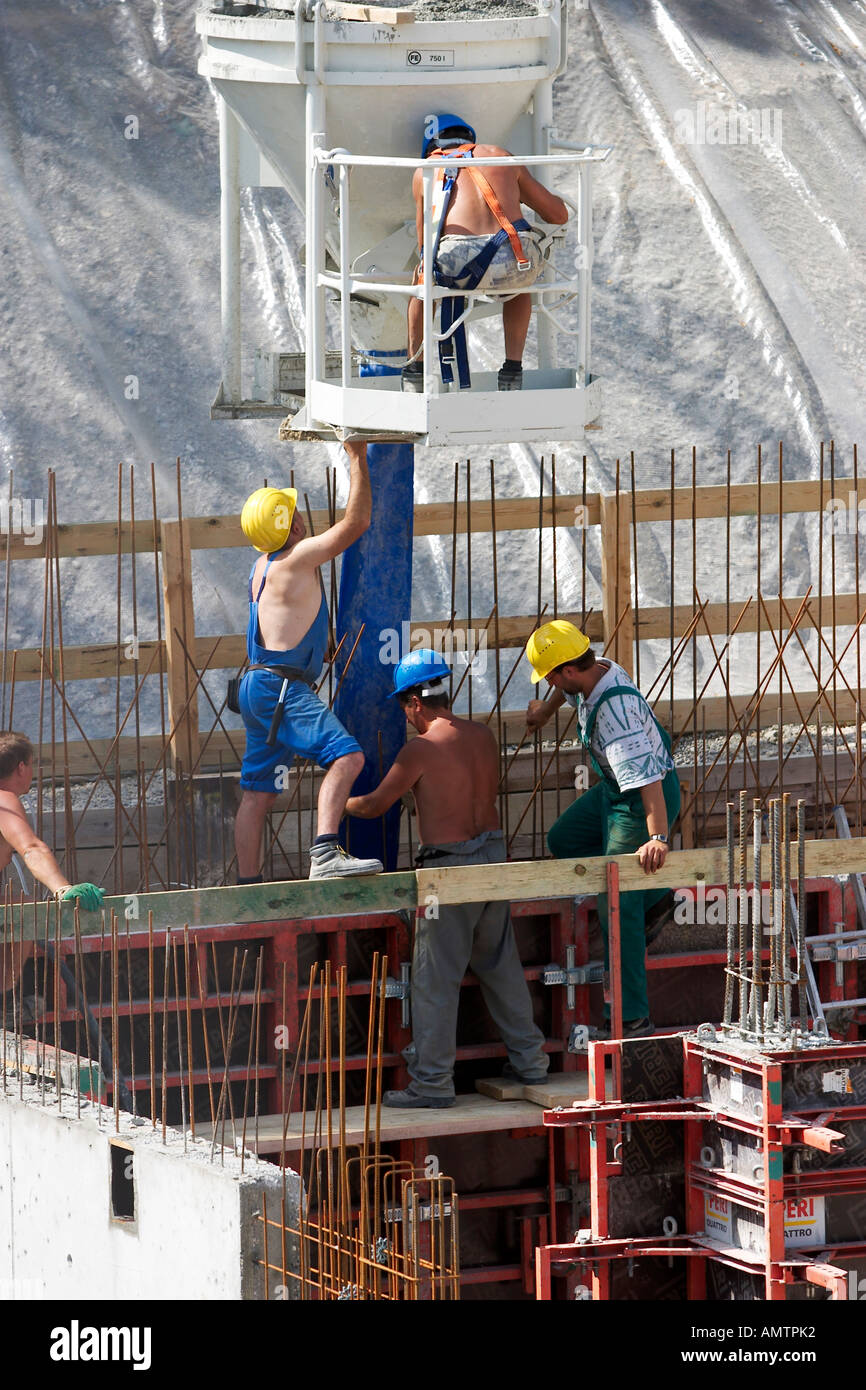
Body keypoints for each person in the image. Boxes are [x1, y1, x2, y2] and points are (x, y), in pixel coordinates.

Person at [345, 649, 549, 1107]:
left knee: (434, 979)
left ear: (415, 703)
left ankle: (433, 1084)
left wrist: (339, 803)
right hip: (494, 859)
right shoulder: (483, 736)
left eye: (404, 707)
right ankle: (531, 1063)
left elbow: (376, 804)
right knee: (500, 965)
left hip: (449, 870)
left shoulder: (421, 748)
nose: (406, 716)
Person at [234, 441, 383, 883]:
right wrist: (357, 457)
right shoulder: (295, 559)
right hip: (282, 687)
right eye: (293, 512)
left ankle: (247, 886)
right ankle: (325, 854)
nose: (302, 517)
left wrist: (319, 645)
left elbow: (291, 620)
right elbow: (358, 523)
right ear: (290, 522)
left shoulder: (261, 567)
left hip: (257, 686)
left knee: (257, 792)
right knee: (348, 758)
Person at [525, 620, 680, 1038]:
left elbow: (648, 780)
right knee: (564, 839)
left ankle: (634, 1019)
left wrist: (657, 838)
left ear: (569, 671)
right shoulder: (594, 667)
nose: (552, 683)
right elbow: (565, 684)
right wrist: (544, 711)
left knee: (615, 900)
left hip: (643, 799)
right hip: (616, 790)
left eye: (552, 678)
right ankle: (657, 899)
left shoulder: (616, 713)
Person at [402, 113, 569, 393]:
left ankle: (415, 369)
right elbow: (558, 215)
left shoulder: (426, 170)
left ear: (434, 147)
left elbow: (425, 245)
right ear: (470, 139)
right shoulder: (499, 156)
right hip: (513, 257)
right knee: (520, 282)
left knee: (423, 278)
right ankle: (512, 371)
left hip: (459, 263)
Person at [0, 732, 104, 909]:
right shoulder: (4, 800)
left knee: (25, 908)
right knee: (29, 916)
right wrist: (62, 888)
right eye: (32, 764)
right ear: (21, 768)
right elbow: (31, 848)